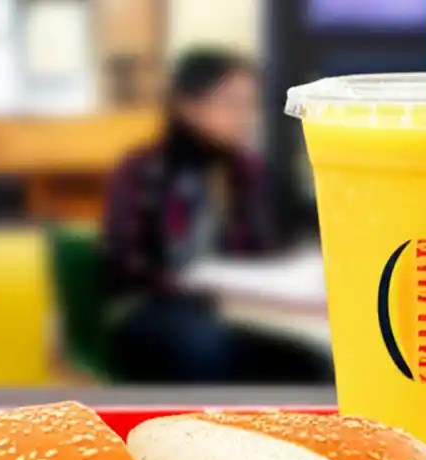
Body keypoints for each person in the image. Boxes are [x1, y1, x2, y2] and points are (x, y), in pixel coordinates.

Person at [102, 48, 329, 383]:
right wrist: (191, 287)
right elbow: (124, 262)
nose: (246, 117)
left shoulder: (248, 172)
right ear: (189, 106)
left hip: (243, 310)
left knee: (306, 361)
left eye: (251, 105)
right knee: (206, 347)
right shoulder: (142, 170)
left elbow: (268, 251)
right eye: (233, 104)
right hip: (156, 308)